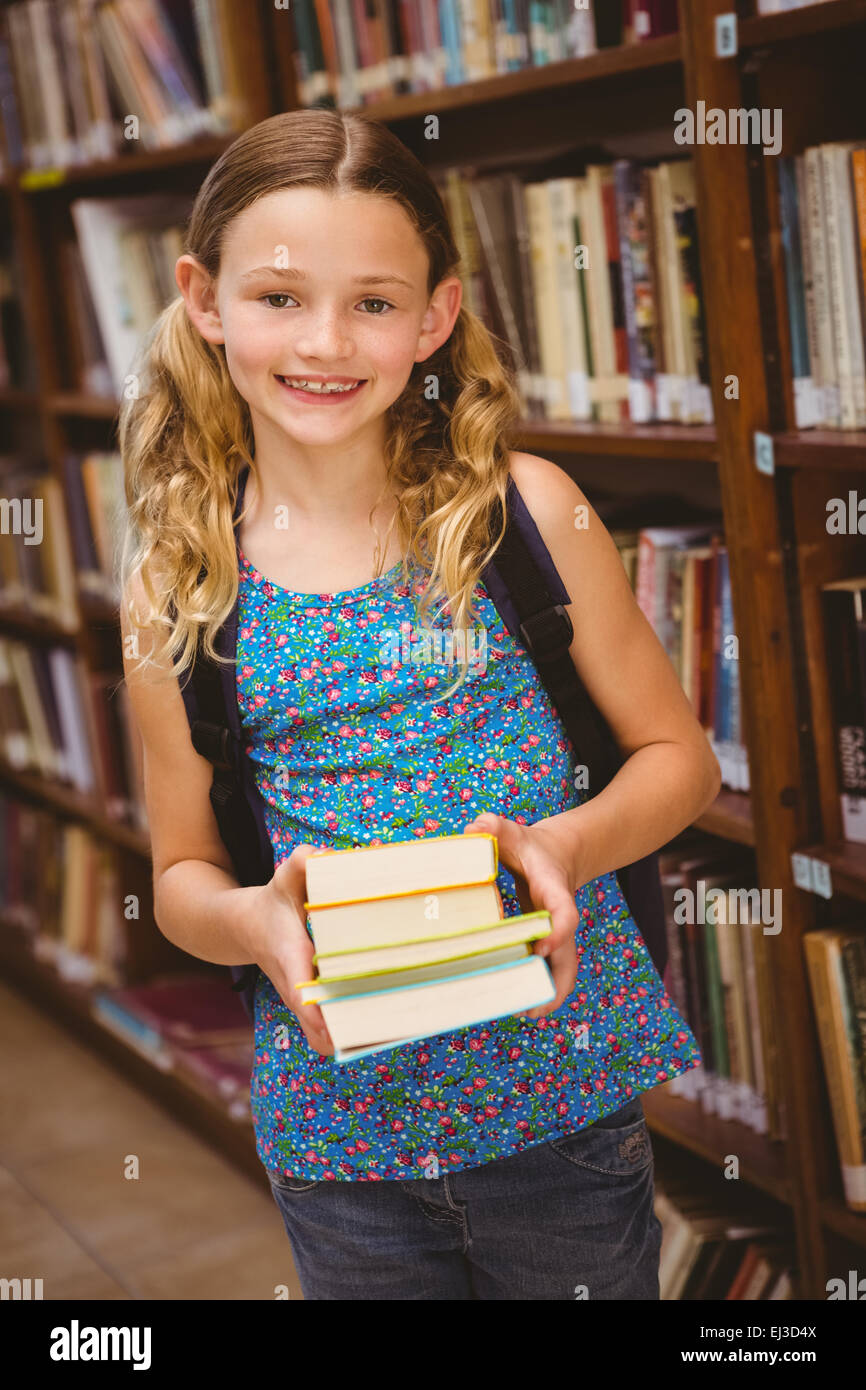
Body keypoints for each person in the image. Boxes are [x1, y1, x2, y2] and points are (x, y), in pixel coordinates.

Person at [118, 107, 719, 1301]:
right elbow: (181, 875)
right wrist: (253, 924)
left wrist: (558, 843)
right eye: (279, 297)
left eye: (374, 302)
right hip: (340, 1137)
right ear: (203, 299)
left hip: (556, 1105)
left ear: (436, 315)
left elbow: (677, 761)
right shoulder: (176, 583)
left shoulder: (525, 514)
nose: (325, 340)